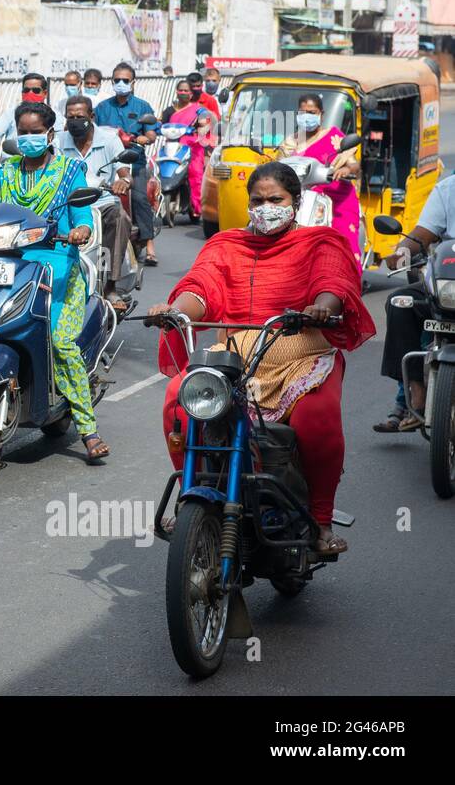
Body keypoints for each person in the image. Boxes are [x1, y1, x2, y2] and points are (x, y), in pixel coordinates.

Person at [146, 162, 375, 556]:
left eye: (275, 200)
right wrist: (173, 309)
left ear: (295, 202)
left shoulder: (321, 241)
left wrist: (321, 307)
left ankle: (320, 522)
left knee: (316, 416)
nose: (265, 207)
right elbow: (201, 287)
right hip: (233, 358)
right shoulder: (226, 245)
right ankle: (191, 495)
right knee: (177, 402)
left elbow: (333, 282)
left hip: (303, 356)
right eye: (258, 201)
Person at [0, 101, 108, 462]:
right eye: (22, 132)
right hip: (8, 261)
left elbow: (83, 213)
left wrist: (81, 229)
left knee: (60, 342)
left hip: (56, 263)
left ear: (49, 133)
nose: (28, 138)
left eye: (34, 131)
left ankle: (88, 430)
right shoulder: (6, 171)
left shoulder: (70, 170)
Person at [373, 171, 455, 432]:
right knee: (400, 302)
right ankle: (415, 390)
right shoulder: (448, 189)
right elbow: (423, 234)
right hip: (449, 282)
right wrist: (400, 254)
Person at [56, 95, 133, 310]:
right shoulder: (58, 141)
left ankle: (110, 285)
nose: (74, 121)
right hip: (68, 204)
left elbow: (125, 172)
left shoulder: (109, 139)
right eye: (70, 117)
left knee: (120, 218)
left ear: (91, 116)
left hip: (102, 202)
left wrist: (123, 182)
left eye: (79, 117)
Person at [274, 92, 361, 268]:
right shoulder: (289, 143)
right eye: (303, 112)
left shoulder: (334, 137)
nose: (307, 116)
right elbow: (278, 168)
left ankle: (350, 278)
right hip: (300, 198)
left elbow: (354, 166)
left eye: (312, 112)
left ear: (322, 114)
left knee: (345, 241)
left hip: (336, 197)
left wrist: (345, 169)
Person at [94, 62, 158, 266]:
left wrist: (143, 139)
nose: (121, 83)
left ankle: (149, 245)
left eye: (125, 80)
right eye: (117, 80)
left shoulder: (142, 106)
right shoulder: (102, 107)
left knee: (139, 198)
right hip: (108, 161)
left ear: (133, 82)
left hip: (133, 160)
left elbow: (151, 133)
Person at [161, 78, 217, 221]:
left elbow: (207, 120)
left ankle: (198, 207)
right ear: (176, 92)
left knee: (196, 173)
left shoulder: (197, 109)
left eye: (186, 90)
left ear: (191, 94)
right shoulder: (169, 111)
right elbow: (159, 125)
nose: (183, 93)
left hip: (192, 146)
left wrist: (203, 124)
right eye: (181, 90)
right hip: (172, 146)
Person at [0, 72, 48, 154]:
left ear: (45, 93)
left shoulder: (54, 116)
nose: (30, 93)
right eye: (26, 90)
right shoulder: (11, 113)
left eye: (36, 90)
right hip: (13, 163)